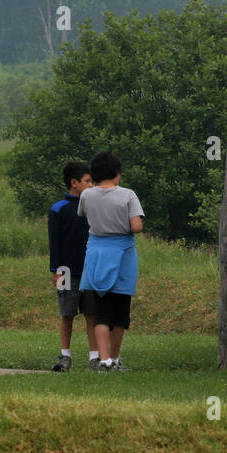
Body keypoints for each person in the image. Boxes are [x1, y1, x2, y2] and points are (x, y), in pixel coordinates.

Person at [78, 150, 143, 371]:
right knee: (120, 312)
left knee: (101, 311)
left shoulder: (87, 195)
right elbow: (136, 226)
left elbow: (84, 215)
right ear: (117, 173)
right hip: (122, 255)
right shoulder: (128, 195)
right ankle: (115, 359)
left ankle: (102, 359)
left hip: (96, 254)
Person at [47, 160, 97, 372]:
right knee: (67, 313)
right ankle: (65, 356)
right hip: (66, 270)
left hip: (91, 269)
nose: (92, 185)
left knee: (92, 314)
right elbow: (54, 242)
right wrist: (56, 270)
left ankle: (94, 358)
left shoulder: (94, 205)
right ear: (74, 182)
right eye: (87, 181)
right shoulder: (58, 209)